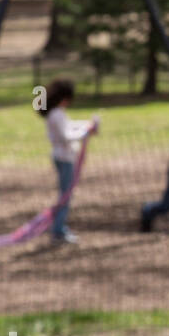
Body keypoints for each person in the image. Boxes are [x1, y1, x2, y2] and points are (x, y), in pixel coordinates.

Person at [39, 79, 97, 244]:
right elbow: (66, 136)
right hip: (64, 158)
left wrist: (85, 125)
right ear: (63, 97)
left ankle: (60, 228)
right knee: (65, 196)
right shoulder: (56, 114)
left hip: (63, 156)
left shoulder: (57, 112)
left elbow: (69, 126)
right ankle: (58, 231)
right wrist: (85, 132)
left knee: (66, 195)